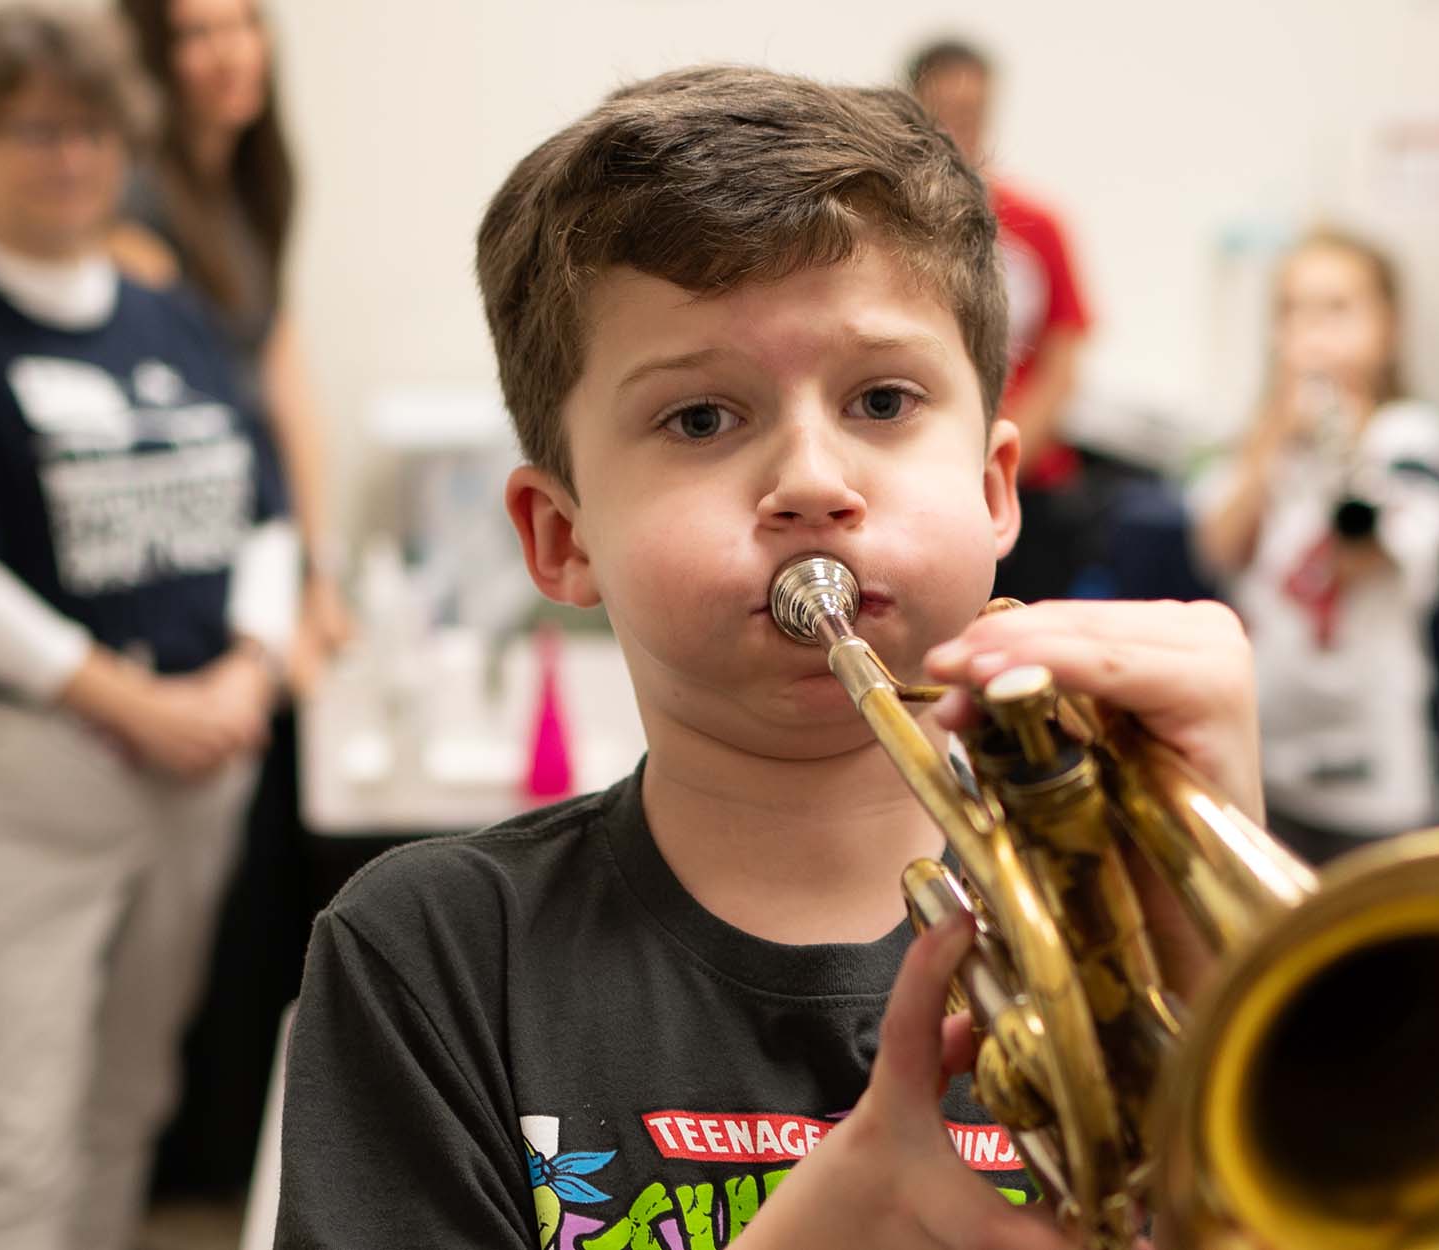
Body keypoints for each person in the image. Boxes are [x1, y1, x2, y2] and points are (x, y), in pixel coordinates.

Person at [273, 66, 1262, 1248]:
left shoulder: (1139, 913)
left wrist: (1239, 982)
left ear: (996, 488)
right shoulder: (431, 954)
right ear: (561, 535)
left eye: (884, 401)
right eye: (700, 418)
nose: (812, 480)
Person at [0, 8, 293, 1247]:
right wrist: (138, 704)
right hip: (10, 793)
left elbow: (265, 513)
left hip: (193, 769)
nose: (66, 154)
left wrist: (247, 670)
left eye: (89, 126)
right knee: (9, 1134)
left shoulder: (175, 321)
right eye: (29, 128)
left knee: (127, 1097)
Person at [105, 0, 343, 1194]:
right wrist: (275, 605)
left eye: (241, 23)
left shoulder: (245, 186)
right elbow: (204, 433)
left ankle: (239, 1146)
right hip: (191, 594)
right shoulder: (139, 207)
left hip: (257, 566)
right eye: (194, 33)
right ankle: (199, 1168)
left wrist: (317, 567)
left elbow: (284, 387)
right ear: (149, 57)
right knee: (227, 894)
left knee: (267, 871)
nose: (226, 53)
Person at [1189, 229, 1439, 864]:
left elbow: (1365, 551)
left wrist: (1345, 443)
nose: (1313, 332)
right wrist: (1272, 438)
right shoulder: (1257, 442)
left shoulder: (1409, 435)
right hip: (1268, 761)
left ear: (1388, 328)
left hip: (1375, 773)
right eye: (1293, 311)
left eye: (1337, 309)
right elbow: (1220, 548)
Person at [909, 39, 1097, 604]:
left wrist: (990, 463)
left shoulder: (1038, 225)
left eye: (974, 112)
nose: (959, 127)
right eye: (946, 109)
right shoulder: (891, 229)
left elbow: (1063, 366)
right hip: (925, 477)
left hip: (1028, 484)